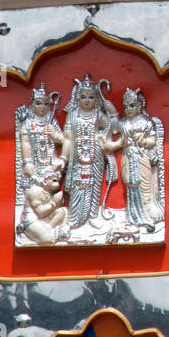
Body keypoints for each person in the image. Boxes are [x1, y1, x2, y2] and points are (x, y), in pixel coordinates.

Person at [62, 76, 121, 230]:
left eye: (91, 97)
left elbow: (113, 129)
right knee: (77, 185)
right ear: (77, 98)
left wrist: (113, 113)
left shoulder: (98, 114)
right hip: (77, 156)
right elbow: (68, 138)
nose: (87, 100)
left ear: (96, 99)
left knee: (94, 185)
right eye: (83, 97)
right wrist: (63, 157)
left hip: (95, 155)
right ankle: (74, 216)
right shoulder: (73, 114)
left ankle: (93, 215)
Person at [118, 88, 164, 231]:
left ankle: (147, 217)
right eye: (125, 107)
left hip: (141, 157)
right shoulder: (123, 123)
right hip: (128, 157)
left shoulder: (146, 122)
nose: (128, 109)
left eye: (132, 105)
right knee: (131, 186)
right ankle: (133, 217)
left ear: (139, 106)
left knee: (144, 186)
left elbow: (153, 141)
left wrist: (144, 140)